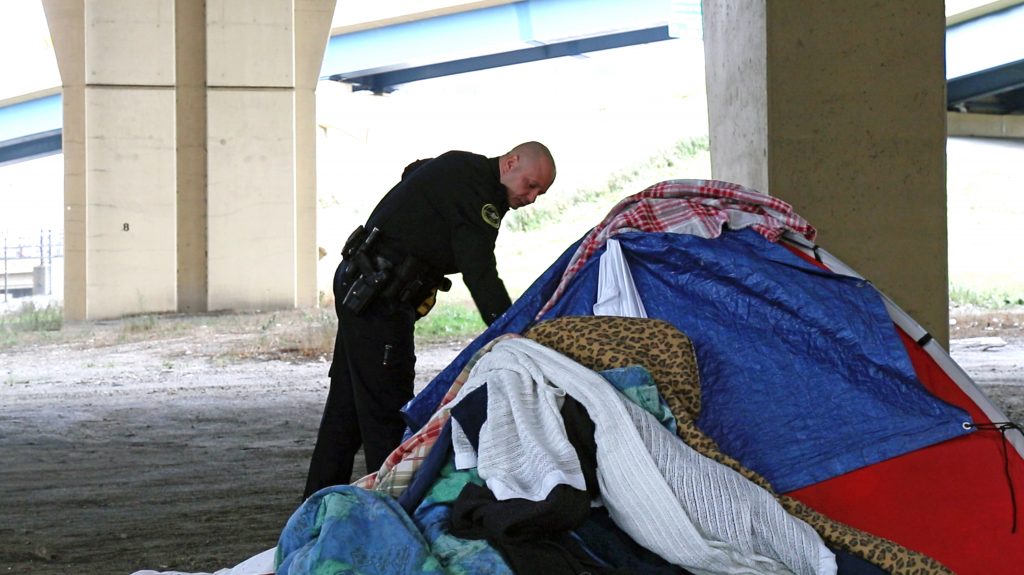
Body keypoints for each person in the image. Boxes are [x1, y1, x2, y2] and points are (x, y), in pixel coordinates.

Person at [303, 141, 557, 499]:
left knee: (345, 413)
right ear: (511, 162)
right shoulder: (477, 193)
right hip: (378, 300)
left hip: (364, 288)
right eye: (530, 185)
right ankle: (390, 509)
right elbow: (480, 272)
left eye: (540, 193)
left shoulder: (460, 167)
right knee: (386, 414)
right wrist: (512, 332)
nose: (531, 198)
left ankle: (317, 502)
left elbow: (414, 171)